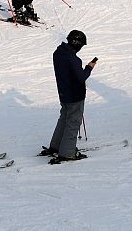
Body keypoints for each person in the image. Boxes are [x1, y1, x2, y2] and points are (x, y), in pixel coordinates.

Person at [46, 30, 95, 163]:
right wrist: (89, 68)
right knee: (73, 122)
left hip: (64, 93)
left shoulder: (58, 53)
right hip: (75, 95)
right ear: (77, 44)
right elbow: (81, 77)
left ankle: (56, 146)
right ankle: (67, 152)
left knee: (64, 119)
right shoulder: (73, 59)